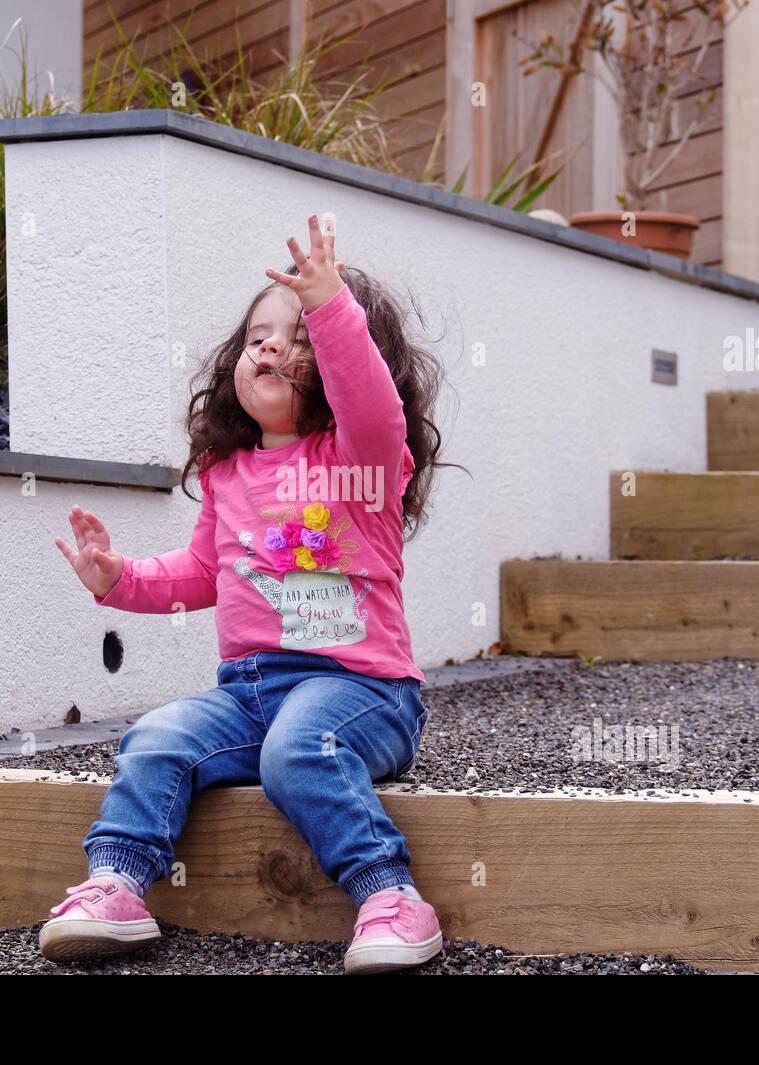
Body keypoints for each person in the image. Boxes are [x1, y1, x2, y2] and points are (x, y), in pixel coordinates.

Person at [45, 212, 457, 974]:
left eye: (299, 336)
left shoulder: (361, 460)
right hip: (250, 695)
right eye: (260, 334)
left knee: (300, 750)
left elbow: (372, 405)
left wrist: (333, 309)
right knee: (156, 735)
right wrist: (120, 577)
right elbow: (203, 574)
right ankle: (118, 885)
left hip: (361, 691)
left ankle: (390, 894)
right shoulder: (231, 475)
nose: (272, 345)